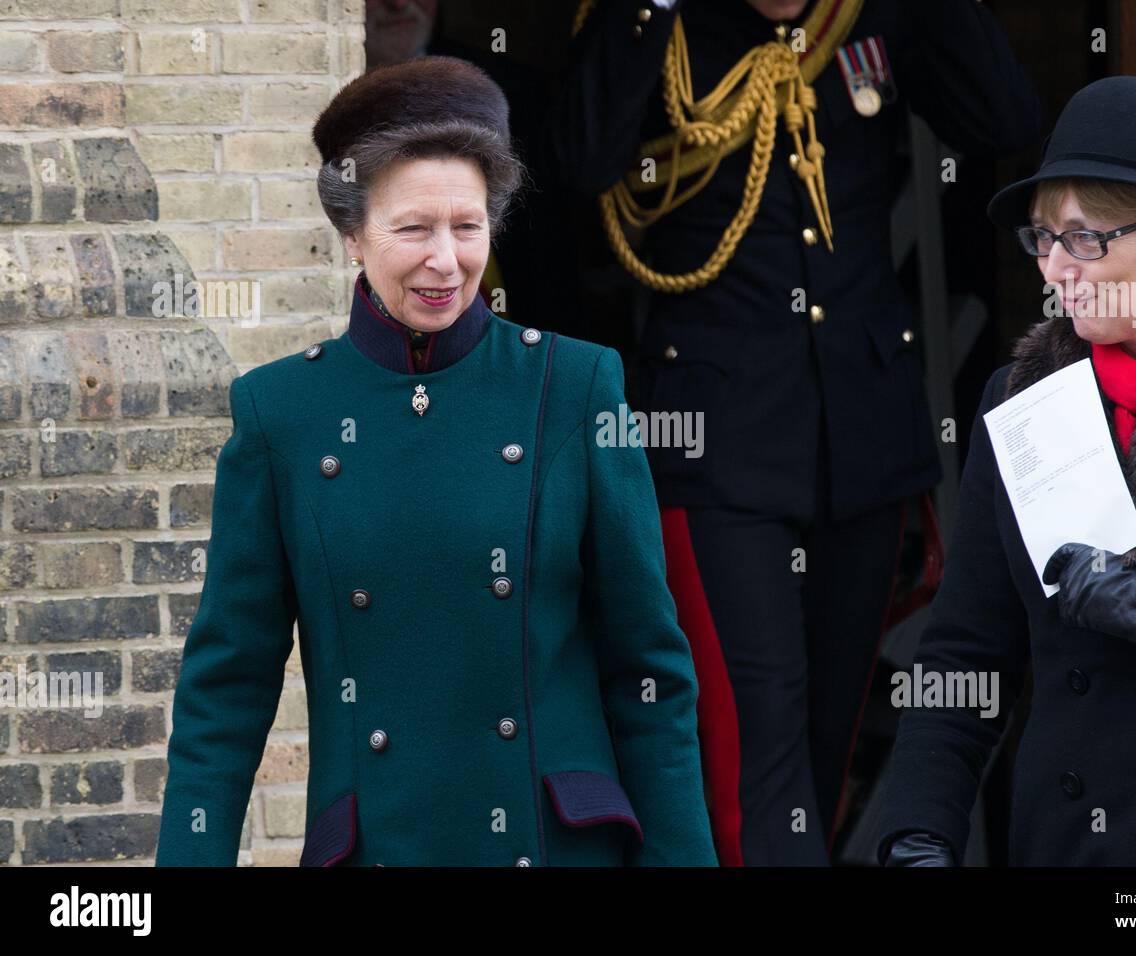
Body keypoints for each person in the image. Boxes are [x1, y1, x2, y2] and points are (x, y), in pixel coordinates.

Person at [155, 55, 717, 867]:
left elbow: (650, 675)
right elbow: (225, 694)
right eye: (413, 228)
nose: (445, 261)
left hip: (556, 847)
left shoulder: (578, 388)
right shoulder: (279, 414)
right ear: (351, 233)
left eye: (468, 226)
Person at [546, 0, 1042, 865]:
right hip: (717, 445)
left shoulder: (871, 17)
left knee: (824, 761)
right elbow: (580, 160)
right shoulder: (658, 24)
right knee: (750, 769)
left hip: (860, 436)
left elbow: (1006, 119)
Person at [876, 75, 1136, 866]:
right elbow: (966, 653)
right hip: (1069, 844)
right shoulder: (1023, 404)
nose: (1055, 268)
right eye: (1044, 237)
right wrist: (918, 831)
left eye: (1089, 236)